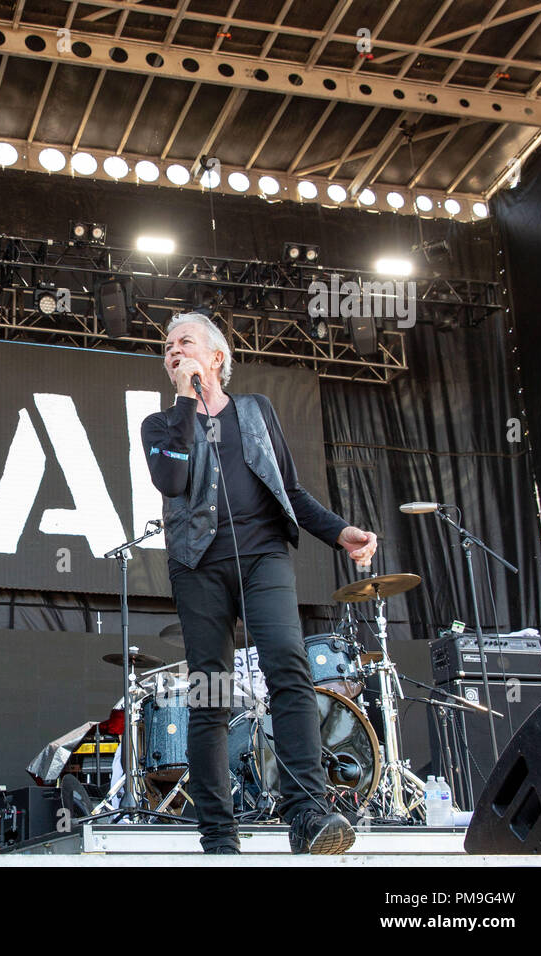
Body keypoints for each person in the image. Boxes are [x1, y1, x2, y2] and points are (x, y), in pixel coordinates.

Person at [140, 311, 377, 854]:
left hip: (264, 556)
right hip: (198, 565)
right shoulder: (161, 425)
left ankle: (308, 817)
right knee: (211, 694)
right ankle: (219, 836)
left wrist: (340, 532)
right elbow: (172, 479)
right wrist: (184, 401)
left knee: (288, 670)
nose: (174, 350)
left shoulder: (255, 411)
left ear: (217, 358)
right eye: (168, 346)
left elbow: (288, 490)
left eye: (187, 342)